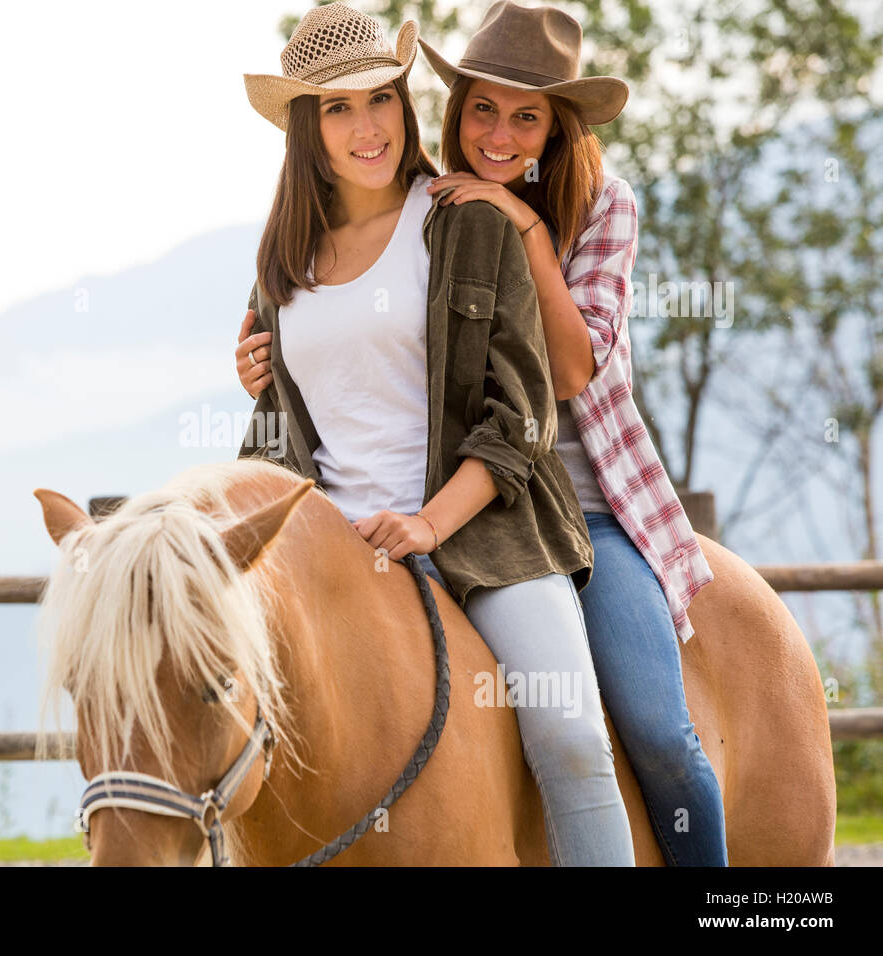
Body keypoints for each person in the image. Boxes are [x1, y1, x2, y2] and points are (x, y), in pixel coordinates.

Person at [238, 1, 725, 867]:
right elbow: (277, 430)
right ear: (306, 130)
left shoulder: (466, 221)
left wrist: (430, 521)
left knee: (576, 735)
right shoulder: (283, 261)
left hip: (492, 532)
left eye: (380, 98)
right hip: (333, 543)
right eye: (337, 109)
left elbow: (530, 409)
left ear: (407, 102)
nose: (365, 126)